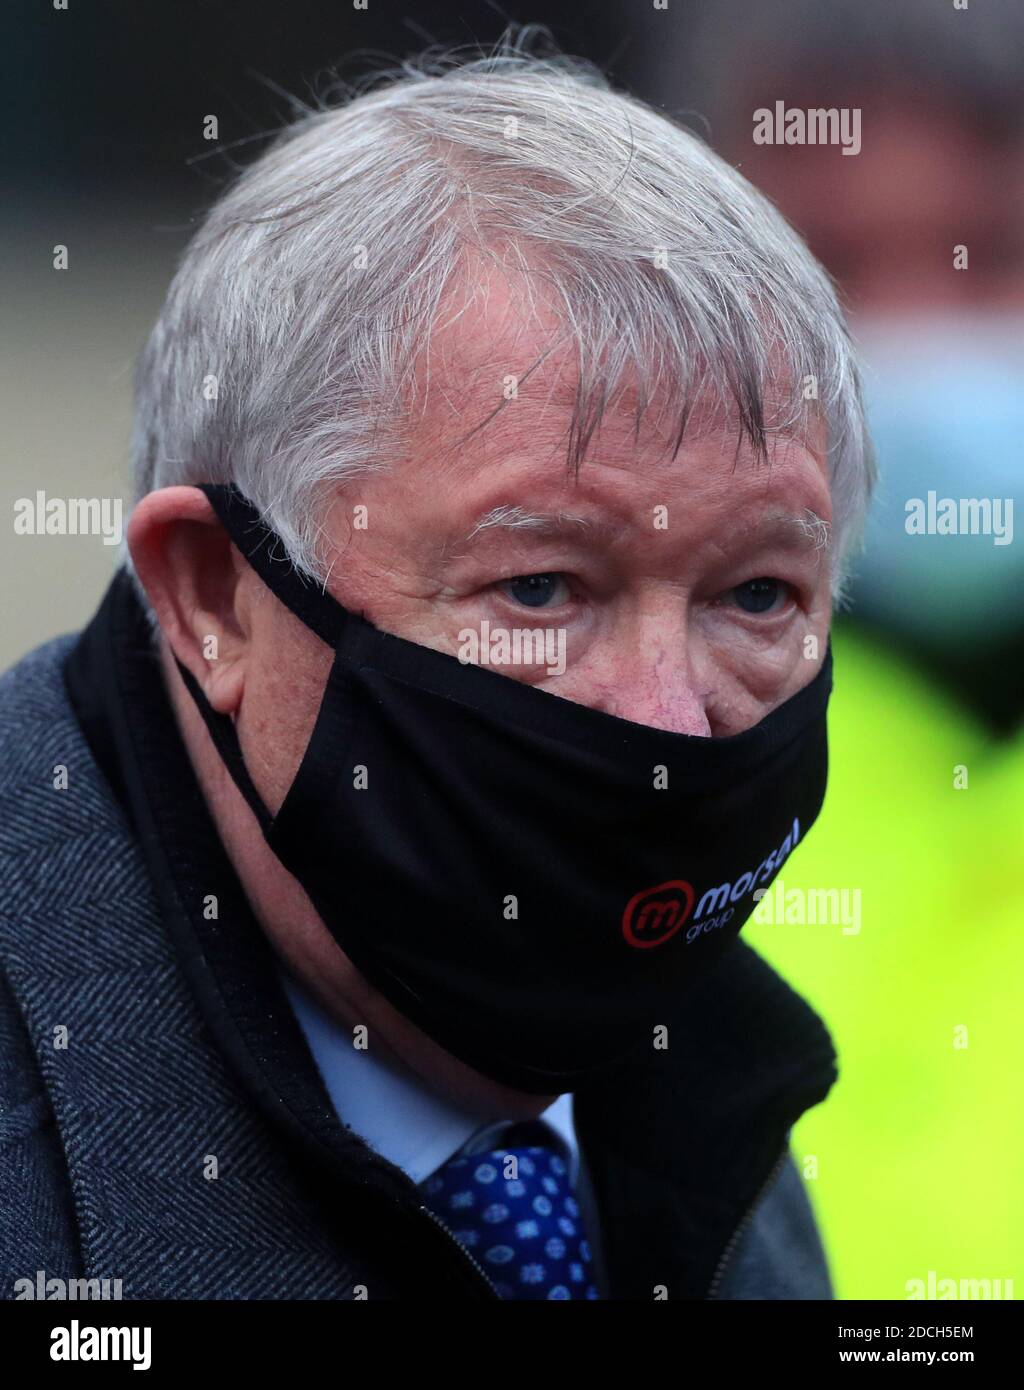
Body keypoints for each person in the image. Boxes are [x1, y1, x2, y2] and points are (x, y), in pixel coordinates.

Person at [0, 37, 874, 1301]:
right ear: (215, 595)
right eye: (540, 588)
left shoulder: (707, 1096)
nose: (669, 716)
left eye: (755, 595)